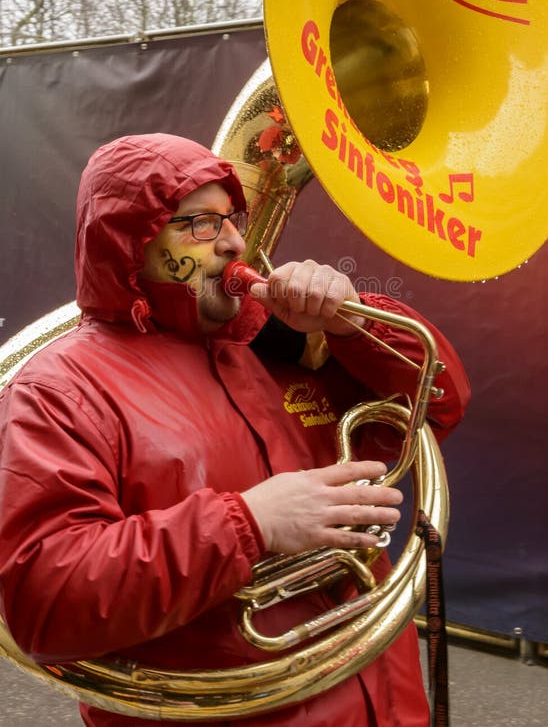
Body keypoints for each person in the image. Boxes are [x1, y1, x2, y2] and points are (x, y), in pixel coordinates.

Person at [0, 133, 470, 727]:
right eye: (198, 224)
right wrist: (249, 523)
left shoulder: (281, 345)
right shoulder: (60, 389)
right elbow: (46, 604)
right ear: (130, 241)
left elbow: (441, 402)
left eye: (231, 219)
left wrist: (352, 324)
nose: (235, 242)